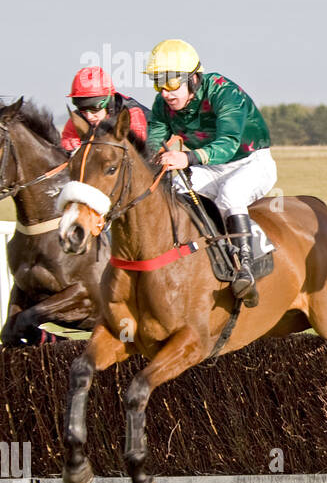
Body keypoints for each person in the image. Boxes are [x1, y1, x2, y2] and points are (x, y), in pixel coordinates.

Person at [144, 39, 275, 307]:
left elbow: (228, 144)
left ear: (193, 78)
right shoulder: (162, 104)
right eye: (159, 82)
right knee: (174, 193)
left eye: (172, 82)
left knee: (230, 195)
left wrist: (186, 157)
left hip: (250, 161)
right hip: (208, 166)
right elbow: (151, 144)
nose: (166, 92)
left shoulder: (223, 91)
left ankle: (245, 268)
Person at [61, 66, 150, 153]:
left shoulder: (132, 114)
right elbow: (66, 145)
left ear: (109, 103)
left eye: (94, 109)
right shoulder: (78, 117)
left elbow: (135, 153)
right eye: (82, 109)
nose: (89, 116)